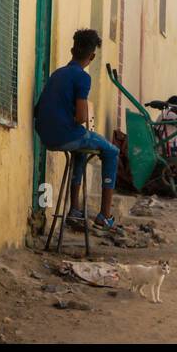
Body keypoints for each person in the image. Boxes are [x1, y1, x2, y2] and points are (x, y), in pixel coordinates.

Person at [34, 29, 120, 230]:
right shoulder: (82, 78)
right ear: (92, 57)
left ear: (72, 50)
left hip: (45, 136)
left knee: (79, 153)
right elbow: (81, 117)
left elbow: (40, 109)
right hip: (65, 136)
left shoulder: (57, 74)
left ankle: (74, 209)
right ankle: (105, 215)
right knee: (112, 152)